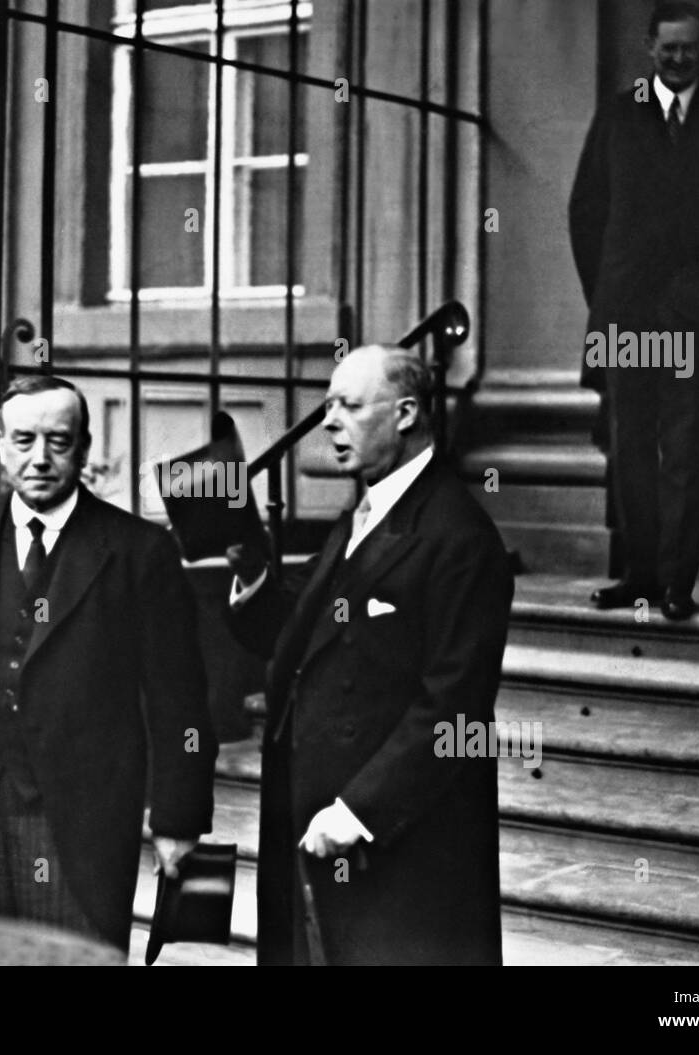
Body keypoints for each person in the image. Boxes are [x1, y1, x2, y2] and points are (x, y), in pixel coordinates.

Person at [0, 375, 218, 952]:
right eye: (22, 440)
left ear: (84, 448)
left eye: (59, 442)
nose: (39, 459)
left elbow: (181, 699)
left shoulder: (139, 552)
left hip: (83, 816)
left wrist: (177, 819)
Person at [224, 346, 512, 965]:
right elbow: (304, 634)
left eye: (349, 406)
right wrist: (250, 570)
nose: (329, 421)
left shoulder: (459, 537)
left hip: (399, 842)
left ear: (406, 413)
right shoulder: (365, 511)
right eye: (328, 405)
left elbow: (454, 708)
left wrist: (360, 809)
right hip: (320, 819)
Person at [569, 1, 699, 620]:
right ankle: (637, 577)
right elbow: (585, 211)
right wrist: (604, 296)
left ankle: (675, 586)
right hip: (625, 318)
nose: (679, 58)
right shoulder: (617, 115)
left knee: (687, 449)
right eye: (669, 48)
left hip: (695, 313)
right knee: (630, 446)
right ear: (649, 48)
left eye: (689, 49)